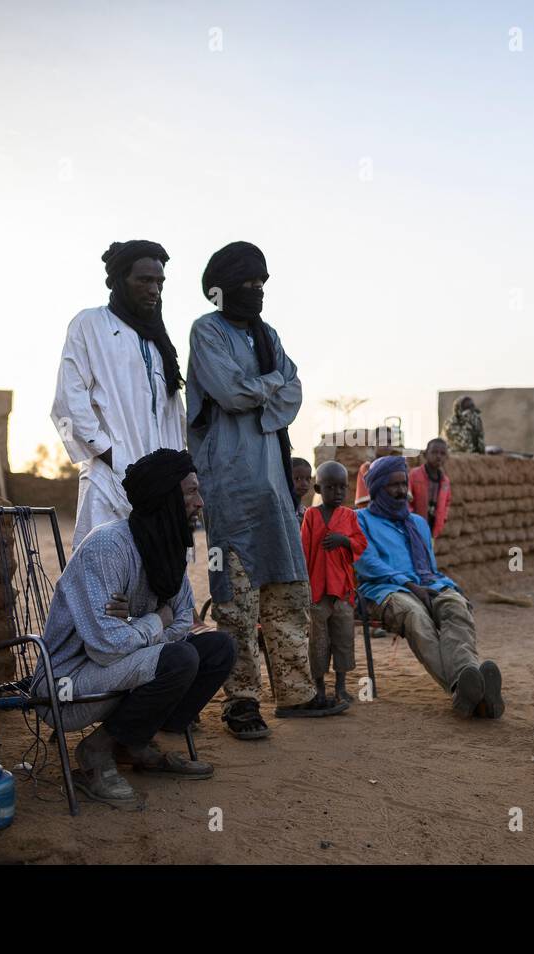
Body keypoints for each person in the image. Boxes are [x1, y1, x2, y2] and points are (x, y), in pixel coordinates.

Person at [186, 241, 347, 739]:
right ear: (221, 289)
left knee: (288, 594)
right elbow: (230, 393)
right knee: (236, 603)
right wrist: (268, 388)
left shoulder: (267, 336)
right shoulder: (206, 331)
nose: (255, 293)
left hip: (276, 491)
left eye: (261, 285)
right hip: (230, 491)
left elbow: (293, 391)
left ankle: (297, 693)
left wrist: (263, 392)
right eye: (246, 286)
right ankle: (242, 703)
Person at [33, 450, 235, 810]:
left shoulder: (168, 548)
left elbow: (183, 620)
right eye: (190, 493)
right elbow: (106, 648)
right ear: (165, 497)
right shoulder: (108, 547)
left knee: (219, 648)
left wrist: (135, 624)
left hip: (120, 671)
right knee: (179, 658)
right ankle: (96, 752)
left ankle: (133, 743)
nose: (199, 503)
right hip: (68, 686)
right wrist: (155, 619)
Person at [52, 240, 186, 548]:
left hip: (162, 487)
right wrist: (119, 461)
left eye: (160, 282)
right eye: (144, 280)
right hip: (110, 482)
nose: (154, 289)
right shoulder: (90, 324)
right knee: (104, 582)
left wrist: (176, 472)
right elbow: (68, 403)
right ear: (119, 280)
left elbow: (174, 415)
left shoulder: (158, 341)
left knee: (160, 583)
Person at [355, 456, 504, 718]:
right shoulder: (361, 520)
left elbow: (430, 569)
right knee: (416, 616)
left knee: (456, 608)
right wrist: (410, 586)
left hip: (428, 584)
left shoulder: (418, 523)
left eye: (404, 484)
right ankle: (465, 688)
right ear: (377, 489)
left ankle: (469, 688)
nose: (402, 491)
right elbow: (367, 565)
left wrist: (449, 588)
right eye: (393, 486)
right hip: (386, 590)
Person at [301, 461, 367, 706]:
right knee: (318, 642)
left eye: (342, 487)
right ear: (318, 489)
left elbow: (361, 544)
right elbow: (304, 550)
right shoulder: (311, 515)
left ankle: (341, 686)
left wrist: (344, 540)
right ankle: (319, 688)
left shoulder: (349, 516)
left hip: (342, 591)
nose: (338, 492)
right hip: (318, 592)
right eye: (331, 487)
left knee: (343, 638)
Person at [408, 438, 452, 538]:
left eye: (442, 453)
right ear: (425, 454)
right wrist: (411, 519)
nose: (438, 456)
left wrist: (442, 519)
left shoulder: (445, 481)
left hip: (432, 529)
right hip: (415, 528)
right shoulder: (414, 475)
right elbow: (406, 499)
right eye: (434, 452)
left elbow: (447, 502)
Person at [354, 425, 404, 507]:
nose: (387, 444)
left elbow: (404, 497)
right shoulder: (367, 468)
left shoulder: (398, 468)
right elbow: (363, 501)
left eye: (389, 441)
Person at [291, 457, 313, 524]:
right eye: (298, 479)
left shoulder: (305, 512)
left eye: (308, 479)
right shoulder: (280, 509)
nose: (304, 484)